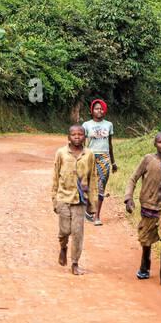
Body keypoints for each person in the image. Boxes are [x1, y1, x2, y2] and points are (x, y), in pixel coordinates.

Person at [124, 132, 161, 288]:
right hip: (148, 206)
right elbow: (133, 178)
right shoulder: (148, 160)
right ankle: (145, 265)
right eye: (160, 142)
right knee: (146, 239)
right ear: (155, 144)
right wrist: (128, 197)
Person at [51, 124, 95, 276]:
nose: (77, 137)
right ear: (68, 137)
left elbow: (93, 179)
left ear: (85, 137)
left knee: (77, 232)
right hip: (63, 197)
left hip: (80, 200)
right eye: (74, 134)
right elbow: (55, 176)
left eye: (80, 134)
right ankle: (63, 247)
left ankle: (75, 263)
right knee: (64, 231)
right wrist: (54, 199)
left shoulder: (89, 155)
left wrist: (92, 204)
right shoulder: (61, 153)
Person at [81, 98, 116, 226]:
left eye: (101, 108)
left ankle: (97, 216)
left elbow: (110, 144)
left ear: (104, 110)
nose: (99, 110)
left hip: (104, 158)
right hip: (90, 157)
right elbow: (82, 144)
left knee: (101, 186)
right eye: (96, 108)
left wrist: (113, 162)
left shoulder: (109, 124)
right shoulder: (86, 125)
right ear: (92, 110)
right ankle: (87, 211)